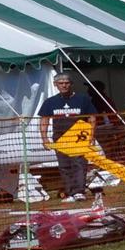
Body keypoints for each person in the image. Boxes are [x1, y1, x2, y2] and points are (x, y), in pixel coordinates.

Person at [37, 73, 99, 202]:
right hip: (60, 139)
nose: (64, 85)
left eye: (66, 83)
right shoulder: (50, 102)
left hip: (79, 138)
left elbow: (92, 117)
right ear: (56, 85)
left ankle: (79, 192)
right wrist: (44, 139)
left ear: (71, 84)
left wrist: (91, 136)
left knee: (79, 164)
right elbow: (44, 120)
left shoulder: (83, 99)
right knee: (64, 166)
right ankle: (70, 192)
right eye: (61, 83)